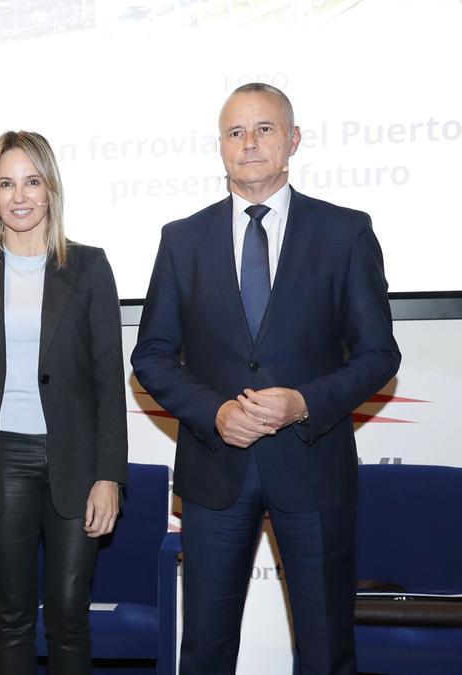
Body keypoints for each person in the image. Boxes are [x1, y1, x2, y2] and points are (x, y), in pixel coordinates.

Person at [131, 83, 401, 674]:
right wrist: (214, 412)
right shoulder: (182, 239)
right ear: (221, 147)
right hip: (215, 469)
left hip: (315, 468)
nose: (249, 143)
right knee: (203, 649)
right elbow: (150, 355)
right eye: (235, 133)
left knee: (327, 650)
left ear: (293, 139)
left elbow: (379, 354)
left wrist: (304, 402)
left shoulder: (345, 232)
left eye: (264, 129)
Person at [0, 130, 128, 674]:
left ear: (50, 190)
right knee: (12, 616)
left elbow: (108, 383)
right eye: (6, 183)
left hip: (76, 462)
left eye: (31, 181)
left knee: (69, 615)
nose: (19, 196)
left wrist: (109, 476)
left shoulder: (89, 267)